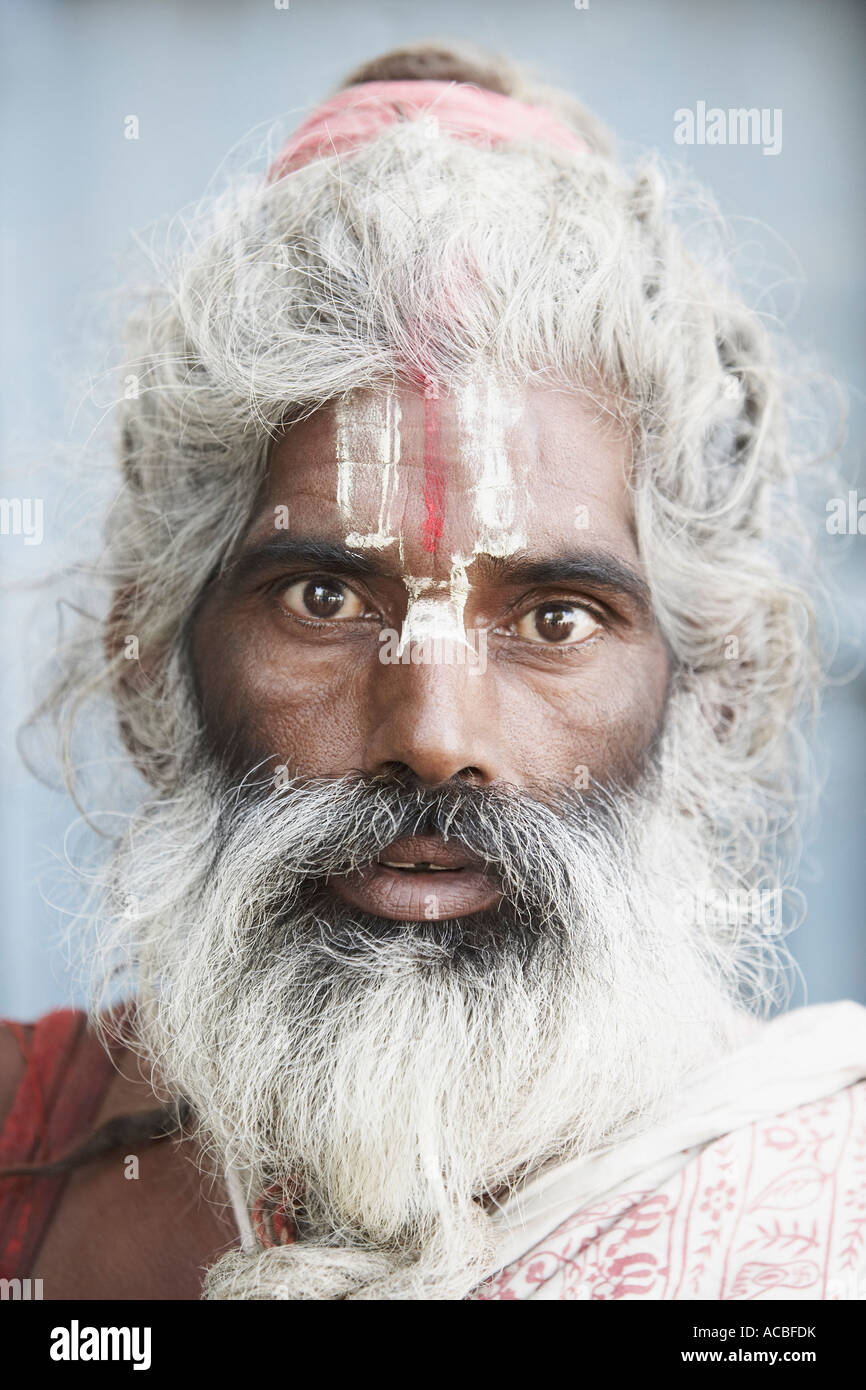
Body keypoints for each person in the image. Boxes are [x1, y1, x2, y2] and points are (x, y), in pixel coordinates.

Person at [1, 39, 863, 1302]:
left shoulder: (819, 1208)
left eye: (555, 618)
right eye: (324, 597)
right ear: (152, 671)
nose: (432, 730)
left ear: (709, 692)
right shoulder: (27, 1155)